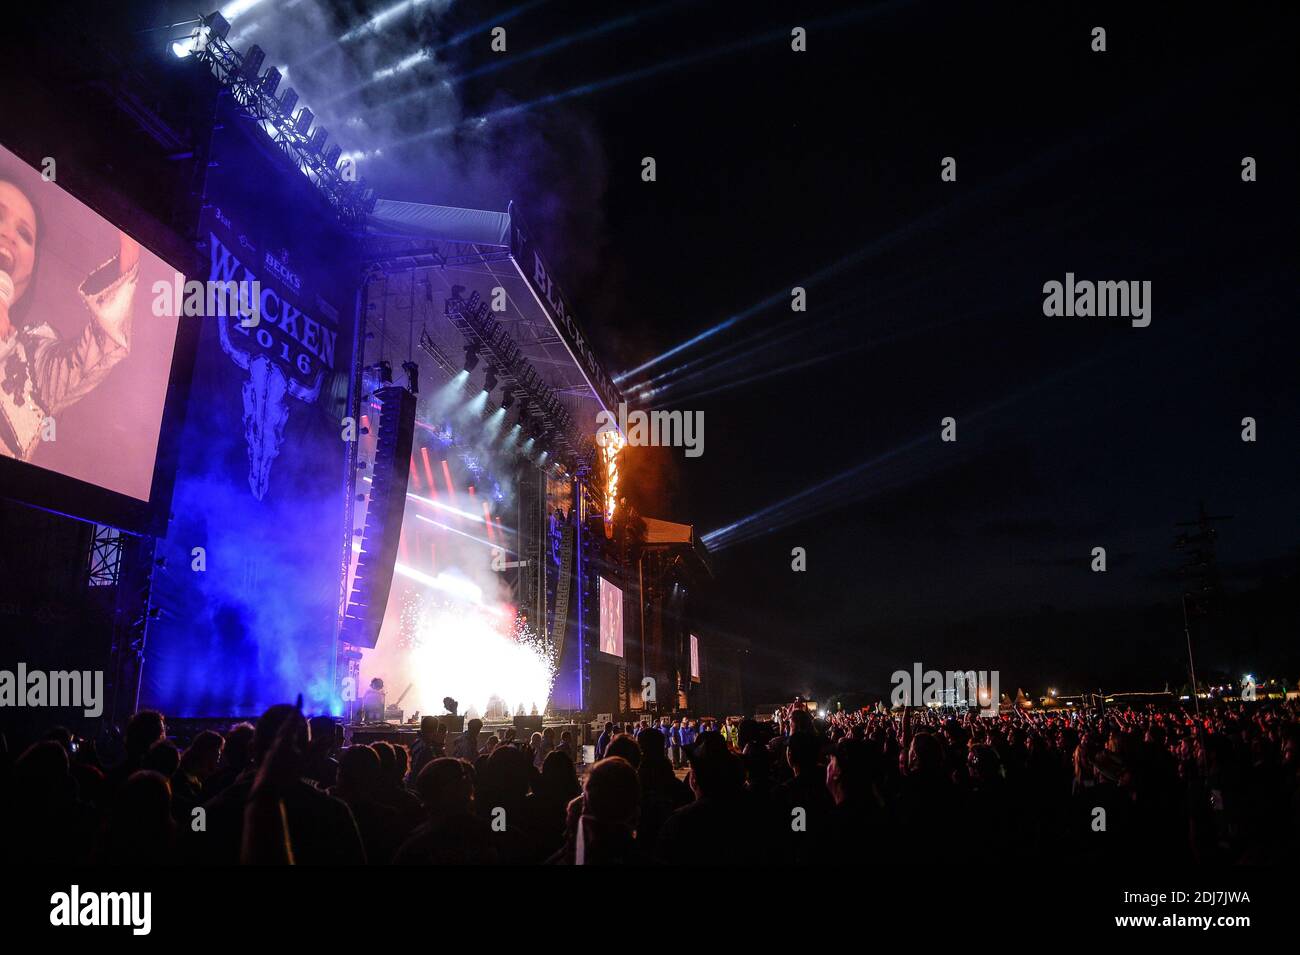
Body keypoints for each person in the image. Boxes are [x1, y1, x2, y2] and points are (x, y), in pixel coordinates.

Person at [0, 175, 140, 461]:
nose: (8, 235)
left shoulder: (31, 357)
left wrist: (132, 249)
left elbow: (100, 350)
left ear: (30, 271)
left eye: (25, 235)